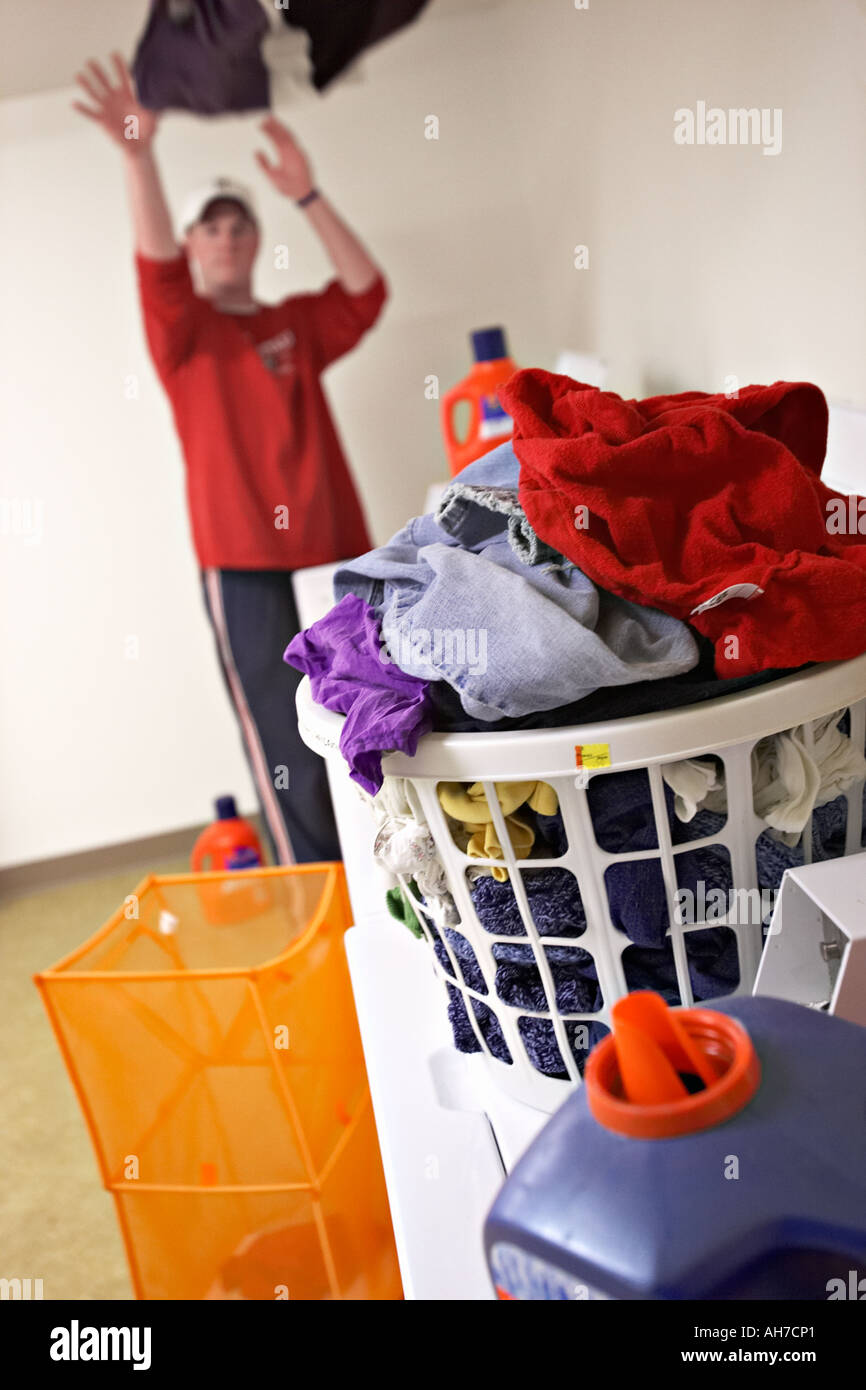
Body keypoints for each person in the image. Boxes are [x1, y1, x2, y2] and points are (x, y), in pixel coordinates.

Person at [73, 54, 387, 865]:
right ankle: (317, 889)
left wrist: (305, 195)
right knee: (281, 733)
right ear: (189, 243)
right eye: (208, 226)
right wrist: (137, 155)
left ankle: (386, 868)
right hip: (243, 564)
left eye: (238, 223)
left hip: (333, 552)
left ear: (255, 240)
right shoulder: (182, 334)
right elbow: (156, 270)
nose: (226, 236)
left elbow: (366, 291)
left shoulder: (294, 324)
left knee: (367, 708)